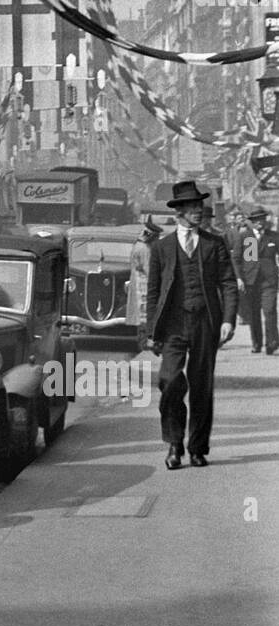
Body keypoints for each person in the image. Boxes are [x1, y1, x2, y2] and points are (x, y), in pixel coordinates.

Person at [146, 181, 237, 469]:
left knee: (202, 387)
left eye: (200, 207)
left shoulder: (215, 243)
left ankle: (197, 448)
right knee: (170, 381)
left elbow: (228, 283)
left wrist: (228, 320)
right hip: (173, 325)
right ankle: (175, 443)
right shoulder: (162, 248)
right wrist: (151, 332)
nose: (200, 211)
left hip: (205, 323)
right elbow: (153, 292)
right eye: (194, 207)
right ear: (180, 212)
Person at [231, 205, 279, 354]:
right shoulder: (245, 237)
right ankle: (256, 343)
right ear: (251, 221)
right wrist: (239, 278)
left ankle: (272, 342)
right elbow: (236, 259)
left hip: (269, 281)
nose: (260, 222)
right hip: (250, 281)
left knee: (270, 310)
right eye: (256, 220)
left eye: (262, 219)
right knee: (253, 313)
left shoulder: (274, 236)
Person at [126, 216, 161, 350]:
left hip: (138, 286)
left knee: (142, 321)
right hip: (144, 288)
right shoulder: (145, 249)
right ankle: (145, 345)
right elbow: (150, 271)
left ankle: (143, 343)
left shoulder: (137, 245)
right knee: (145, 319)